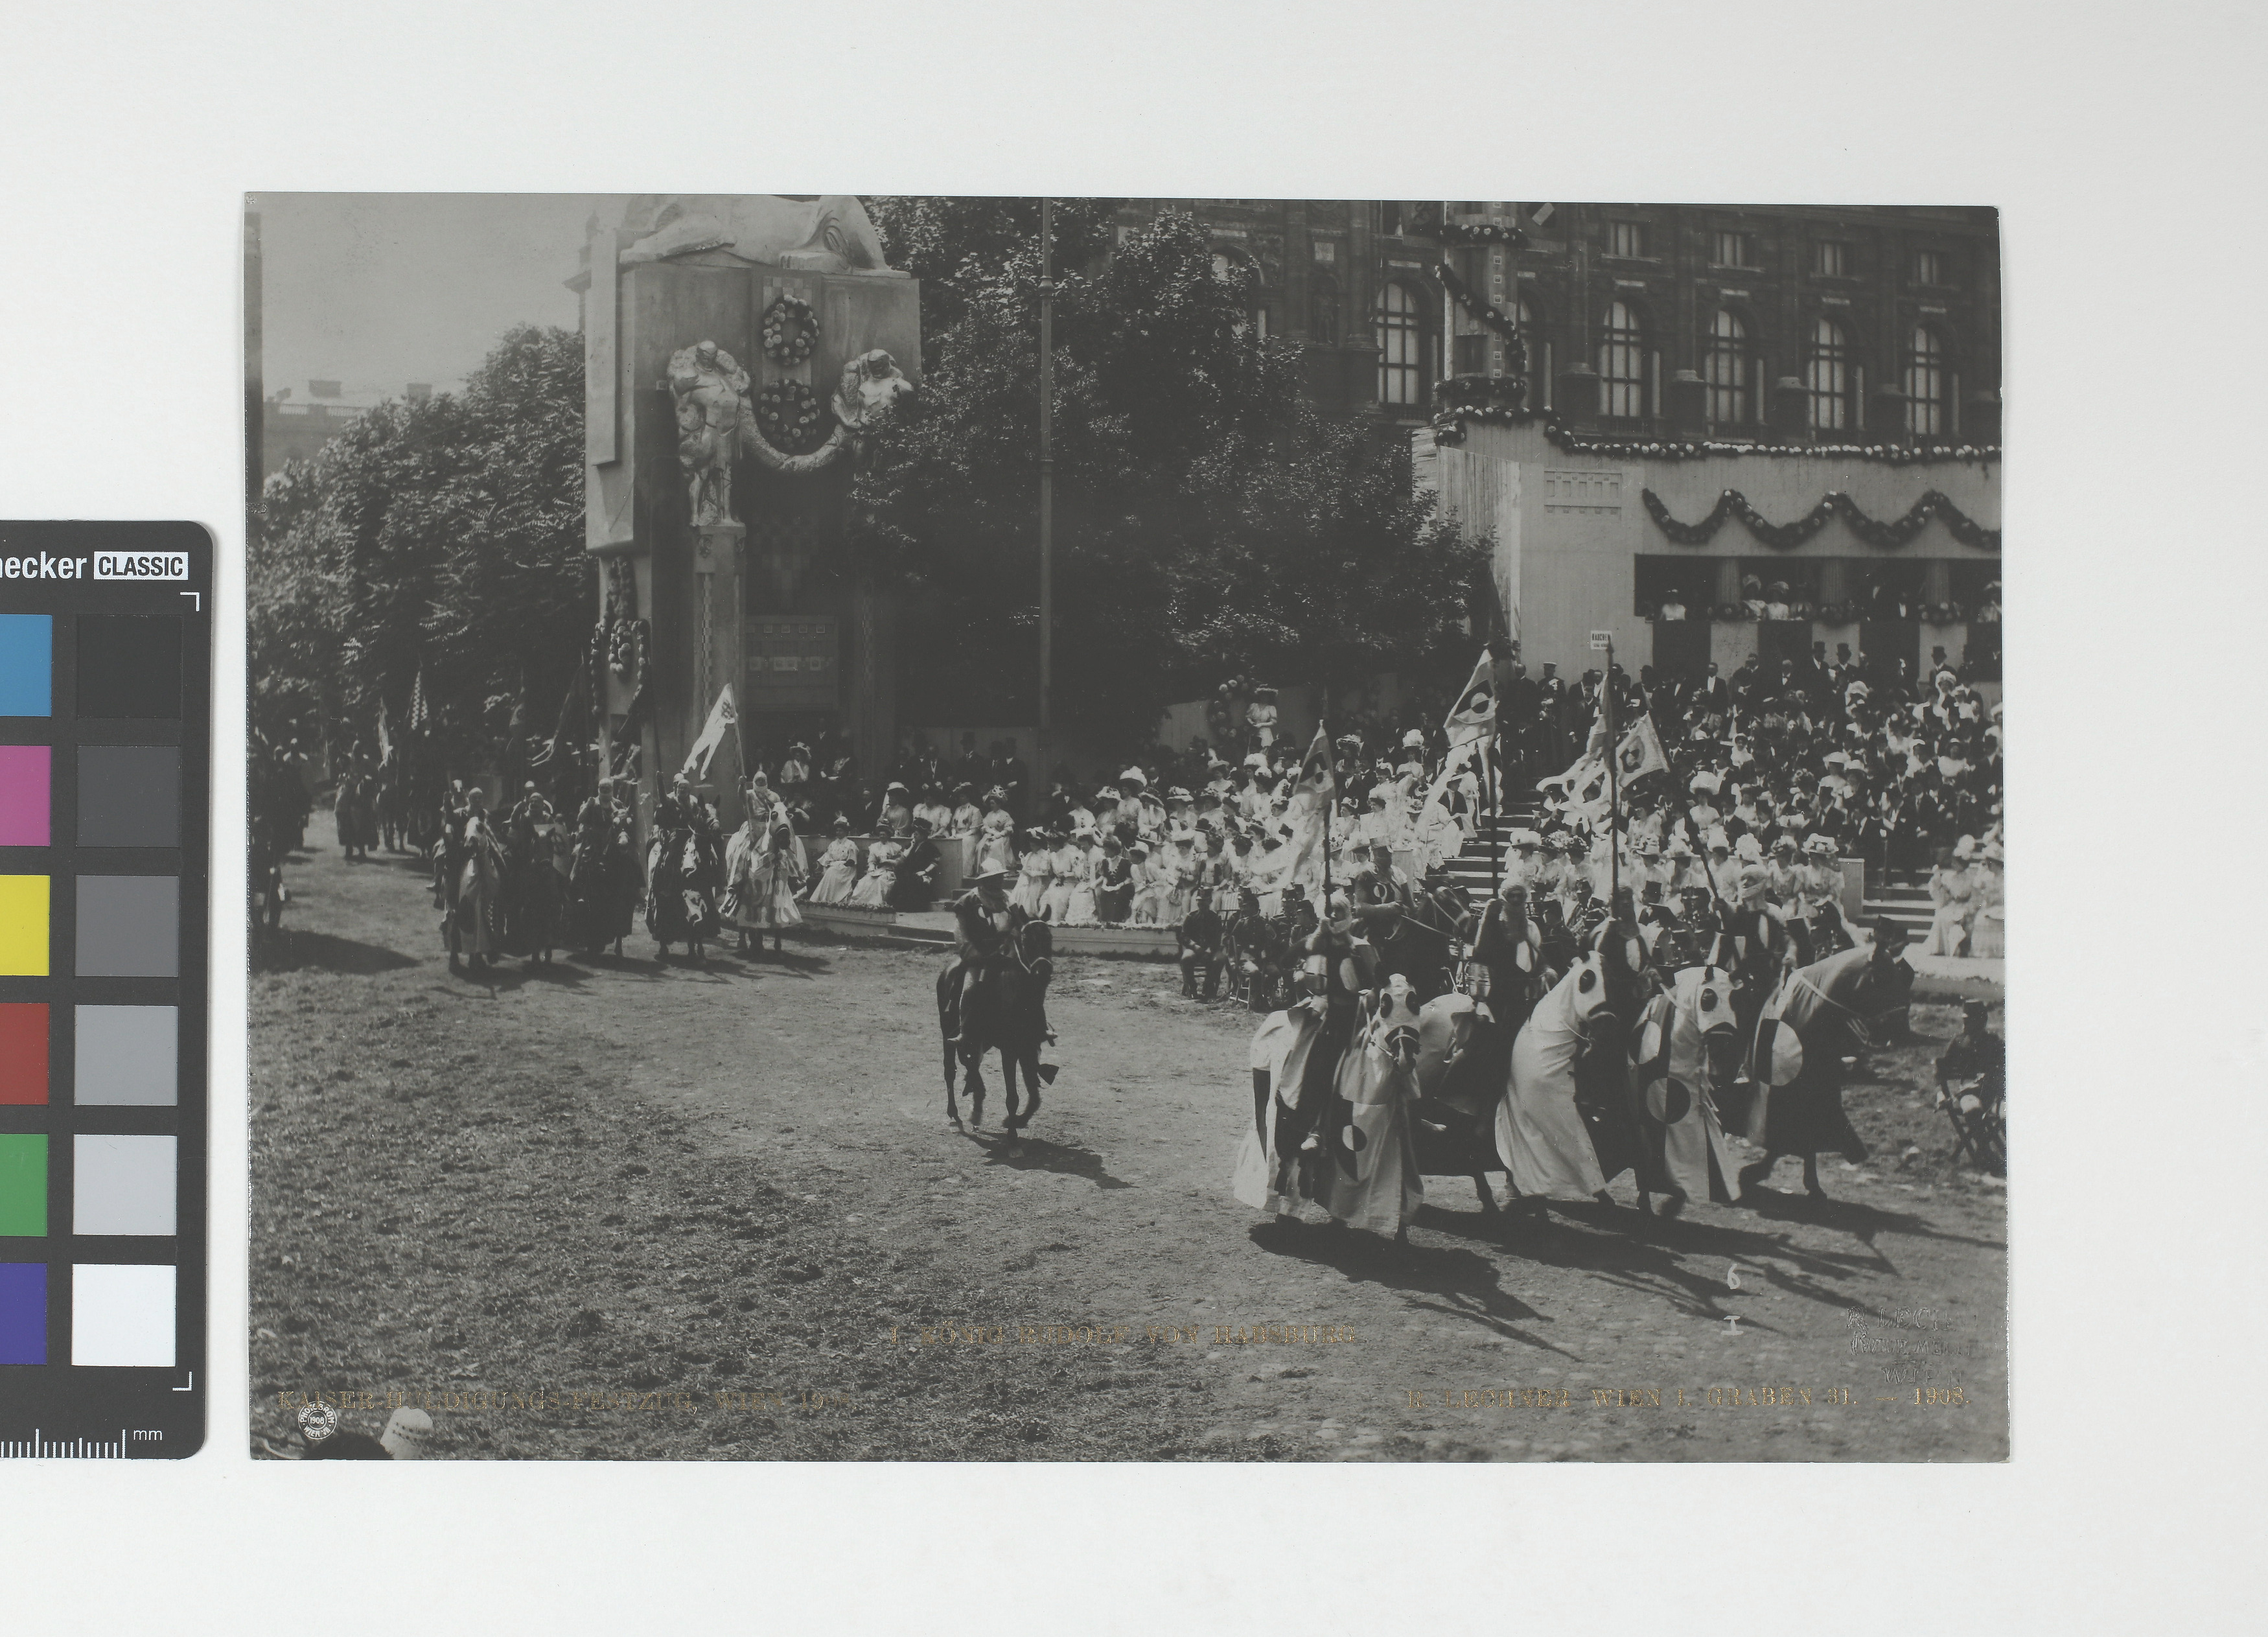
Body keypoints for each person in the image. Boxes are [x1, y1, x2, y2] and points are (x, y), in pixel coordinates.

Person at [942, 862, 1022, 1042]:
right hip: (980, 954)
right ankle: (964, 1029)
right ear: (986, 880)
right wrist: (972, 953)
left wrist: (1014, 936)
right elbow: (960, 930)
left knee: (1028, 981)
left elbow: (1019, 923)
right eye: (996, 877)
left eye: (1001, 876)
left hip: (1006, 951)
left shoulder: (1009, 898)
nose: (1001, 880)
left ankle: (1038, 1026)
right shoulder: (969, 900)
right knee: (970, 989)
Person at [735, 819, 805, 953]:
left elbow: (793, 861)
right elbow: (759, 865)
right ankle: (736, 881)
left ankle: (777, 944)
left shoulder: (777, 819)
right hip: (761, 875)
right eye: (781, 837)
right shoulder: (763, 835)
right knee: (744, 853)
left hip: (778, 883)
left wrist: (799, 876)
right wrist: (773, 855)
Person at [1936, 999, 2005, 1109]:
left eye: (1968, 1021)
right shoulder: (1959, 1042)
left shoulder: (1994, 1042)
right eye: (1964, 1021)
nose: (1964, 1025)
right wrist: (1941, 1094)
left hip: (1994, 1094)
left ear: (1981, 1021)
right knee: (1972, 1109)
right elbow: (1942, 1070)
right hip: (1969, 1094)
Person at [1920, 843, 1976, 957]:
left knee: (1958, 918)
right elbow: (1944, 895)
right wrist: (1941, 887)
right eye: (1953, 862)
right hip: (1952, 904)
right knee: (1942, 916)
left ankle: (1959, 948)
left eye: (1956, 862)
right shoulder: (1949, 876)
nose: (1953, 864)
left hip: (1965, 905)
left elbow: (1974, 896)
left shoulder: (1971, 877)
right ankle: (1941, 947)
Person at [888, 815, 944, 911]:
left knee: (914, 882)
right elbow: (905, 859)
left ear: (923, 835)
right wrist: (911, 846)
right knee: (901, 881)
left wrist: (925, 871)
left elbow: (935, 861)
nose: (915, 835)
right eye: (914, 833)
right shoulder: (913, 846)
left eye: (917, 834)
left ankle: (913, 907)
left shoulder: (929, 846)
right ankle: (895, 906)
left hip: (923, 874)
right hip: (911, 872)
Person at [806, 817, 860, 904]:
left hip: (846, 869)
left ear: (845, 832)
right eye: (837, 831)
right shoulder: (833, 844)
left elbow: (852, 861)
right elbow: (827, 857)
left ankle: (830, 898)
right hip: (834, 866)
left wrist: (840, 865)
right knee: (831, 870)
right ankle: (826, 897)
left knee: (832, 871)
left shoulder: (850, 844)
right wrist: (830, 864)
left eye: (841, 831)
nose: (838, 833)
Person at [847, 834, 903, 908]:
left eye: (884, 835)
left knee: (880, 882)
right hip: (877, 870)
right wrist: (872, 869)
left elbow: (899, 862)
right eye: (881, 835)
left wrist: (889, 861)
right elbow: (872, 861)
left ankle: (876, 904)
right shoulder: (875, 847)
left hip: (889, 871)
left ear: (888, 836)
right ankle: (861, 904)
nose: (882, 836)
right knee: (865, 881)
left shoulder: (895, 847)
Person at [1093, 835, 1134, 924]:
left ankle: (1117, 922)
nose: (1105, 852)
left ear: (1114, 850)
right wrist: (1105, 886)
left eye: (1107, 850)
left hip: (1123, 887)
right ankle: (1105, 922)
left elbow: (1130, 879)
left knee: (1118, 897)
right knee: (1103, 896)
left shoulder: (1124, 862)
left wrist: (1119, 886)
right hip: (1110, 887)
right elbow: (1106, 877)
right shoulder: (1105, 862)